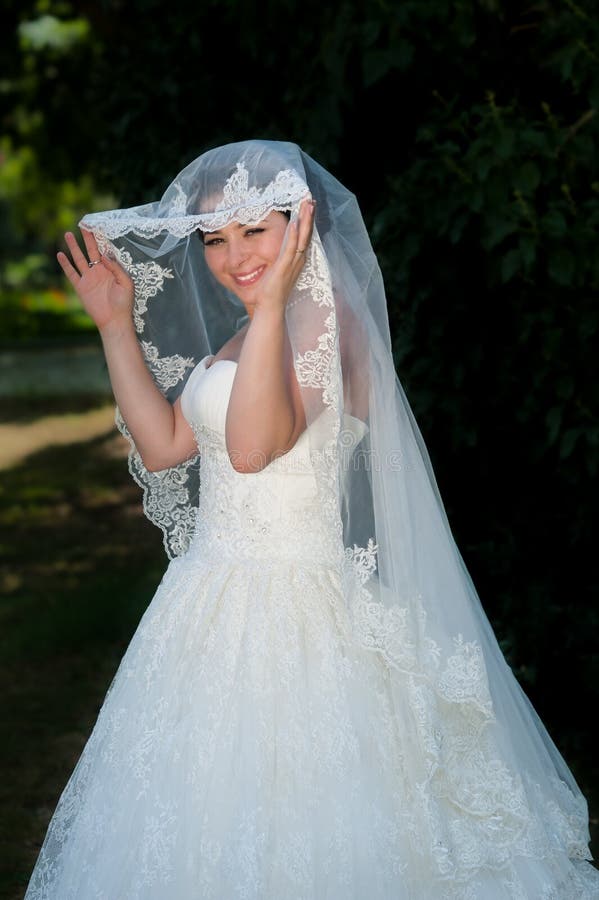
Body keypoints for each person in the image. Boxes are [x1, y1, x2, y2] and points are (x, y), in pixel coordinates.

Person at [25, 140, 598, 899]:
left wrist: (266, 313)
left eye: (253, 230)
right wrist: (113, 326)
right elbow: (165, 446)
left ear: (301, 223)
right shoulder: (248, 330)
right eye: (215, 239)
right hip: (208, 598)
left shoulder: (330, 327)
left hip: (296, 610)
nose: (233, 256)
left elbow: (257, 446)